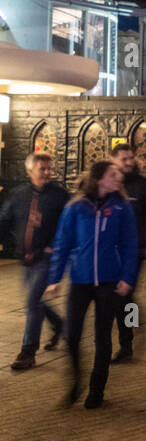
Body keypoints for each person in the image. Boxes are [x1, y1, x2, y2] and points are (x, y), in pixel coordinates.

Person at [45, 160, 138, 409]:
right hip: (80, 280)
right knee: (72, 336)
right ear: (99, 179)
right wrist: (55, 279)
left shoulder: (122, 208)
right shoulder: (75, 208)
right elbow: (62, 244)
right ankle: (76, 382)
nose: (117, 178)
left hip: (109, 281)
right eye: (112, 174)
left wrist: (127, 278)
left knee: (103, 336)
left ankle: (97, 389)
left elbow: (130, 244)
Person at [0, 152, 69, 370]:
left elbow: (69, 225)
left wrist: (59, 248)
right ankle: (59, 324)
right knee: (35, 302)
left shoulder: (60, 196)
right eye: (43, 169)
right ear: (30, 171)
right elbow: (4, 220)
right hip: (25, 258)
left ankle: (28, 352)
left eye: (50, 169)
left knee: (32, 302)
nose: (48, 173)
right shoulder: (19, 195)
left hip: (47, 257)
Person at [109, 143, 146, 362]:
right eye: (124, 159)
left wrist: (140, 241)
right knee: (113, 297)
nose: (129, 162)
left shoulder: (144, 186)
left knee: (126, 295)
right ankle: (123, 332)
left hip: (133, 252)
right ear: (113, 160)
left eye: (131, 158)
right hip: (108, 252)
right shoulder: (107, 183)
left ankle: (127, 341)